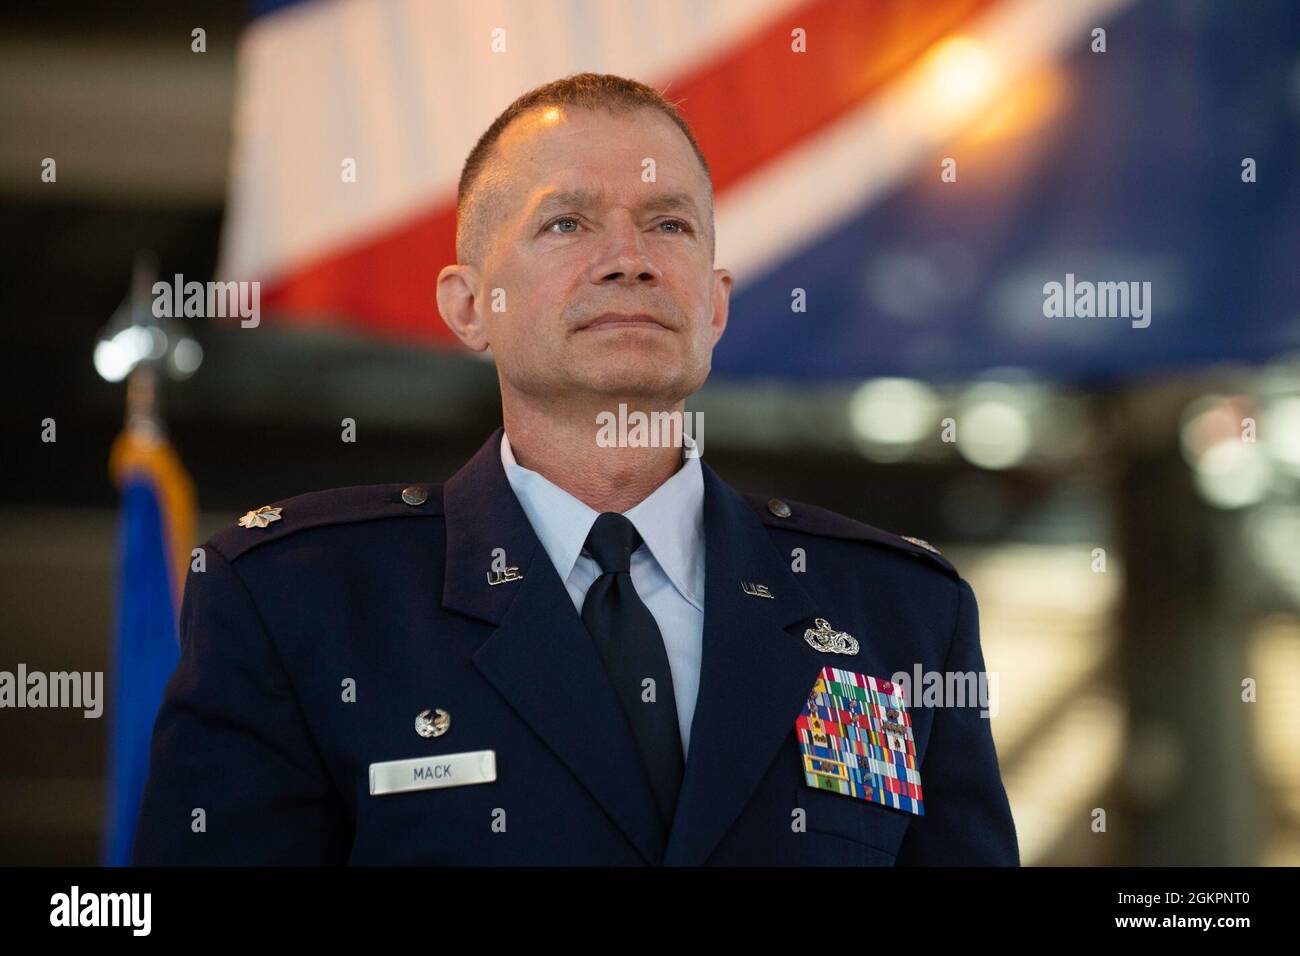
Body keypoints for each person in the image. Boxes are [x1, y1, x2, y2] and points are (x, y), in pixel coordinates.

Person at [132, 72, 1018, 866]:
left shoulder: (899, 615)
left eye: (669, 224)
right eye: (568, 222)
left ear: (713, 306)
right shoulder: (300, 603)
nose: (630, 258)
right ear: (470, 306)